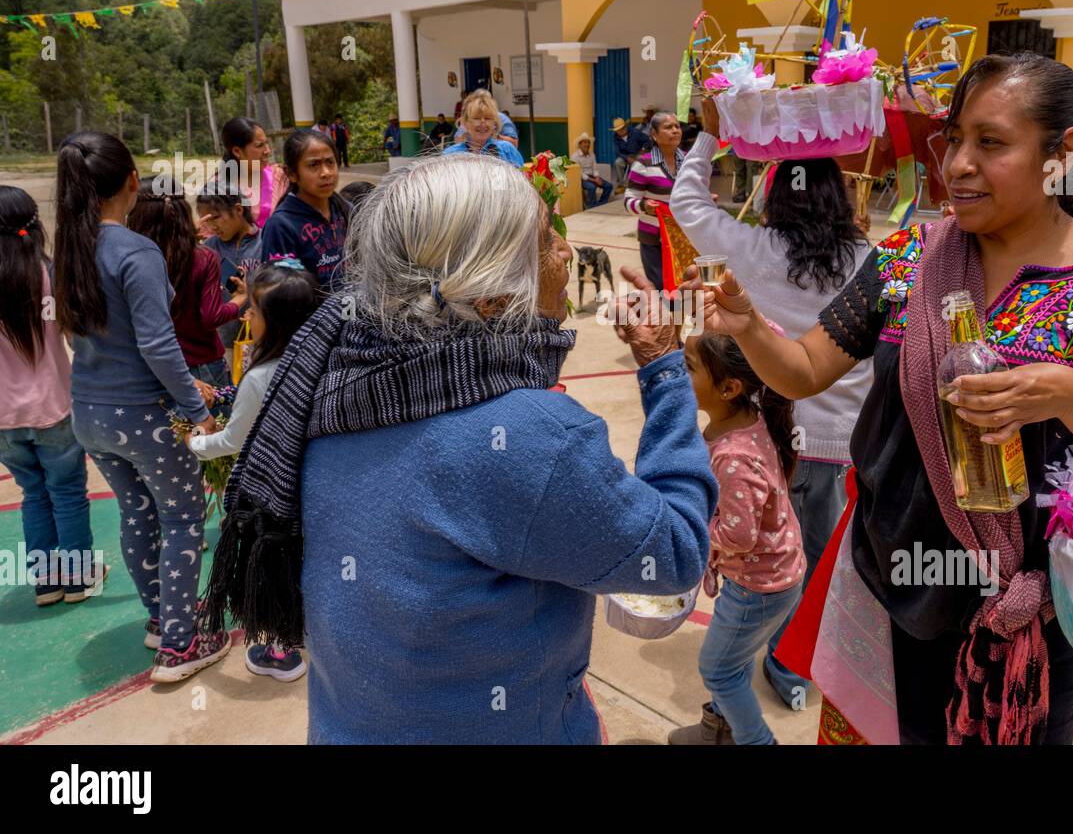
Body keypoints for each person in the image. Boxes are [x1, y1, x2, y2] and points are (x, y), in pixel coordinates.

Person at [684, 53, 1073, 745]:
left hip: (1033, 621)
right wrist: (749, 325)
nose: (958, 163)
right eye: (954, 138)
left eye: (991, 143)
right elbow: (807, 370)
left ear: (1063, 153)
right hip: (885, 589)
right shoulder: (913, 256)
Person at [203, 153, 717, 743]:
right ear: (493, 300)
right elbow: (676, 551)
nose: (566, 254)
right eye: (548, 241)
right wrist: (664, 369)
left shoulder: (330, 379)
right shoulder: (527, 436)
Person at [670, 96, 874, 707]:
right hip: (843, 445)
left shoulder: (751, 249)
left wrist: (707, 138)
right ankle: (793, 665)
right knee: (818, 561)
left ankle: (756, 653)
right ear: (839, 198)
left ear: (773, 197)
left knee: (766, 557)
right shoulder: (870, 259)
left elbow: (686, 205)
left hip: (775, 440)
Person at [54, 131, 229, 683]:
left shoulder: (70, 248)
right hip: (143, 416)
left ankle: (161, 619)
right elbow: (158, 344)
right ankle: (180, 645)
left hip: (90, 414)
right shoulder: (135, 251)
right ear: (133, 180)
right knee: (181, 518)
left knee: (138, 514)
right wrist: (195, 407)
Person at [187, 259, 322, 682]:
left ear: (275, 321)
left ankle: (282, 653)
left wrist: (195, 442)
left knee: (278, 570)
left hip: (276, 497)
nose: (245, 315)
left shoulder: (262, 376)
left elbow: (233, 441)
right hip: (319, 486)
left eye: (254, 310)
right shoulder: (327, 362)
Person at [669, 331, 805, 745]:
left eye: (688, 367)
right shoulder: (748, 417)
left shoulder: (733, 456)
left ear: (729, 388)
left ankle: (755, 740)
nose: (677, 371)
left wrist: (694, 530)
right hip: (772, 574)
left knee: (718, 669)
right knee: (736, 656)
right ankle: (719, 729)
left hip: (758, 586)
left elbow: (739, 535)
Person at [0, 187, 93, 607]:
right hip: (53, 407)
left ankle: (46, 583)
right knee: (67, 493)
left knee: (33, 494)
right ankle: (76, 580)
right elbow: (69, 332)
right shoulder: (48, 277)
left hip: (4, 418)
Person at [129, 175, 245, 388]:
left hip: (155, 369)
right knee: (213, 422)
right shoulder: (204, 257)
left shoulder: (133, 260)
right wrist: (241, 298)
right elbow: (212, 317)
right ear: (183, 212)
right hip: (205, 367)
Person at [260, 129, 350, 291]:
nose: (326, 173)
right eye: (313, 165)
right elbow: (278, 291)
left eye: (330, 162)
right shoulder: (281, 226)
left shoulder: (345, 210)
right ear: (292, 174)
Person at [196, 184, 263, 359]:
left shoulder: (265, 241)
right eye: (206, 220)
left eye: (215, 218)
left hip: (260, 339)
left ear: (239, 210)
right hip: (223, 341)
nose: (212, 226)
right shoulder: (209, 248)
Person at [624, 112, 685, 291]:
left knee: (685, 287)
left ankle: (680, 317)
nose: (675, 131)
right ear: (655, 135)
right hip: (653, 238)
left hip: (684, 237)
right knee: (661, 287)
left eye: (677, 126)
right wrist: (644, 206)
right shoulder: (643, 164)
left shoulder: (690, 161)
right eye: (668, 127)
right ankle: (665, 318)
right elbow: (629, 200)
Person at [216, 117, 290, 229]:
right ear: (237, 151)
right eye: (259, 145)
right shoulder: (217, 186)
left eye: (267, 143)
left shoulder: (279, 177)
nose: (267, 151)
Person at [442, 89, 524, 167]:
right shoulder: (451, 155)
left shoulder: (507, 151)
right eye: (476, 118)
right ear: (465, 123)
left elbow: (522, 178)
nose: (483, 123)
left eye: (488, 118)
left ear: (494, 123)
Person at [572, 132, 612, 208]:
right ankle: (591, 206)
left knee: (608, 186)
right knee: (591, 187)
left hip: (592, 177)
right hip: (582, 179)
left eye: (588, 143)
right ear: (580, 145)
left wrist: (597, 177)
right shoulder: (575, 156)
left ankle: (601, 204)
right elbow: (580, 173)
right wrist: (594, 180)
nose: (587, 145)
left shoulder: (592, 154)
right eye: (584, 142)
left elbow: (594, 168)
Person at [611, 117, 650, 191]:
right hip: (625, 156)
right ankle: (621, 185)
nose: (619, 132)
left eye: (621, 129)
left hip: (637, 154)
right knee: (617, 162)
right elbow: (617, 151)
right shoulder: (615, 136)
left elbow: (647, 141)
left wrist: (643, 150)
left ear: (625, 127)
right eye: (617, 130)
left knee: (638, 164)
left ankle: (638, 184)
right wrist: (627, 158)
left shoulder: (635, 132)